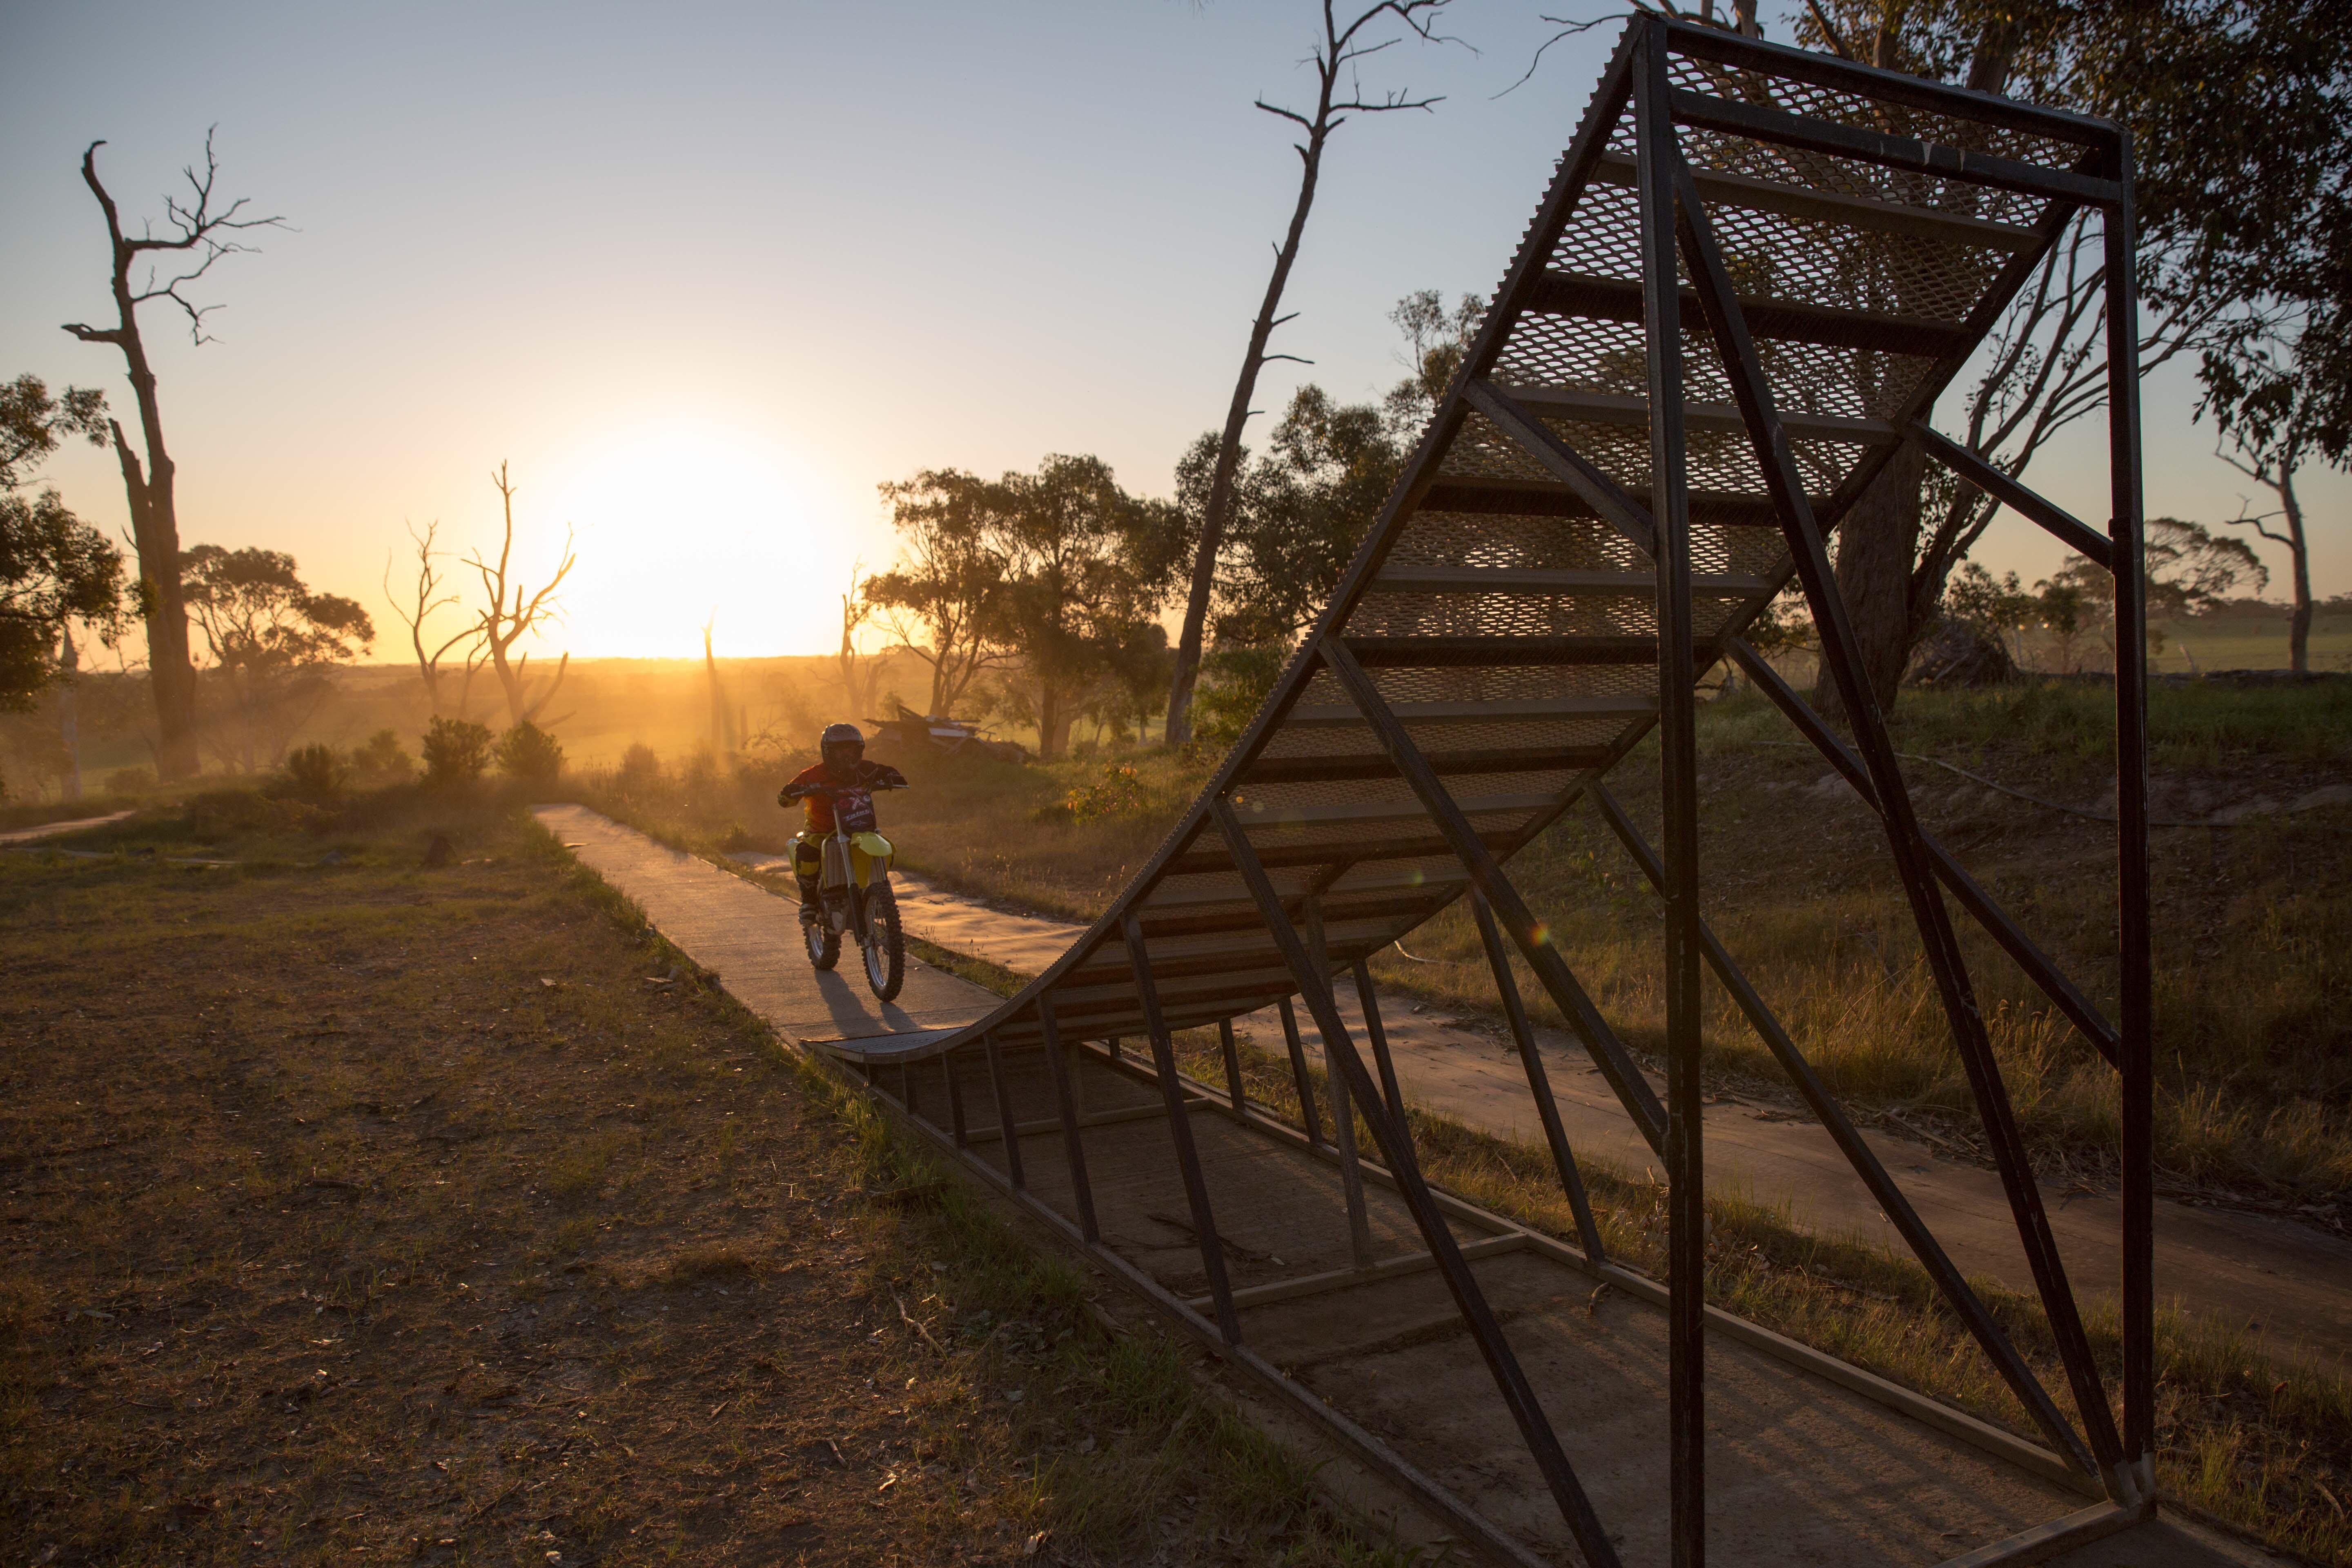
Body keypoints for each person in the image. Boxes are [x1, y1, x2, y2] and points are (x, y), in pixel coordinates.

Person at [778, 723, 908, 925]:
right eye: (840, 751)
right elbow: (786, 797)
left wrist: (893, 777)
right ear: (828, 752)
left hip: (860, 827)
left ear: (860, 750)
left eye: (851, 749)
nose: (847, 755)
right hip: (821, 831)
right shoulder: (813, 775)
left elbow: (887, 772)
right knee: (807, 854)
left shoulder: (865, 770)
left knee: (884, 851)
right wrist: (789, 793)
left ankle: (879, 894)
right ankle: (809, 903)